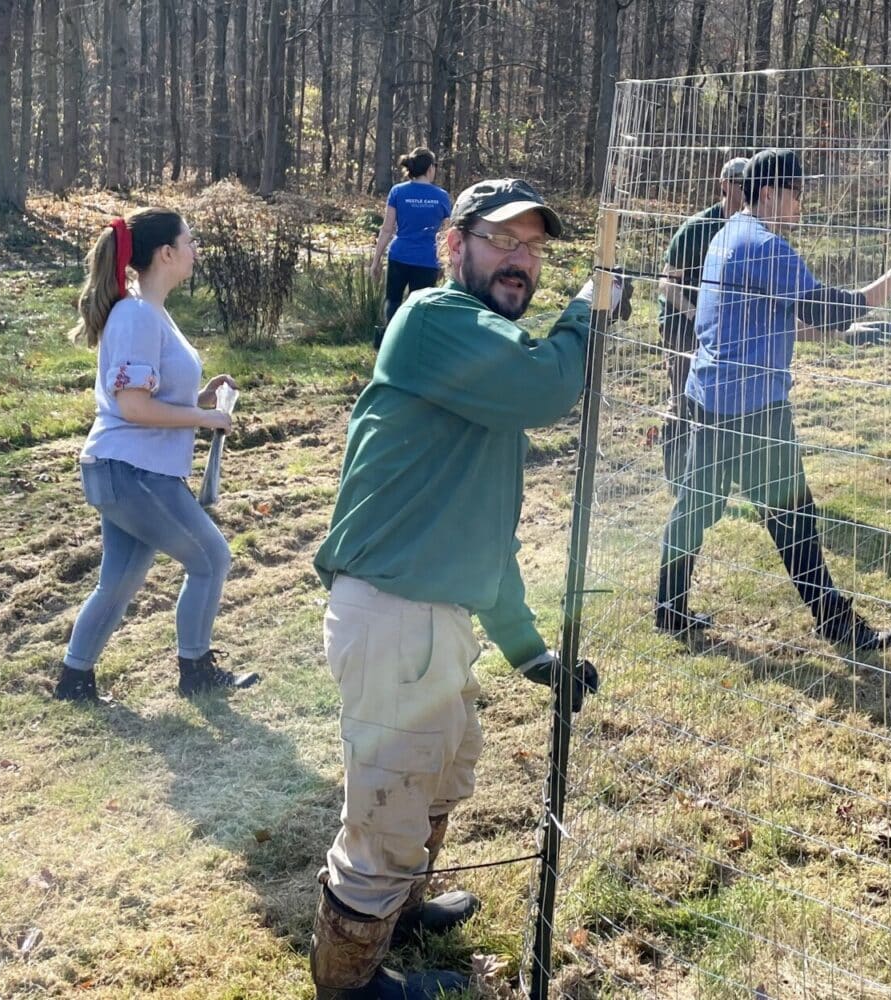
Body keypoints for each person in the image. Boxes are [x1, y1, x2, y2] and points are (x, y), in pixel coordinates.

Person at [310, 178, 609, 998]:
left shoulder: (482, 366)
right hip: (393, 614)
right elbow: (551, 384)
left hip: (433, 615)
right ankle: (350, 984)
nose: (520, 260)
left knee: (439, 773)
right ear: (455, 245)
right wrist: (586, 309)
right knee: (387, 809)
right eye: (502, 242)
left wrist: (530, 651)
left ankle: (398, 911)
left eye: (534, 248)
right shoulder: (437, 321)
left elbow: (486, 538)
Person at [655, 148, 891, 652]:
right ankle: (837, 625)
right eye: (796, 194)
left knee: (697, 506)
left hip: (710, 395)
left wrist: (850, 334)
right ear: (768, 193)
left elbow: (770, 320)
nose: (801, 206)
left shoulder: (728, 235)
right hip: (752, 407)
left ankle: (669, 607)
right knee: (795, 519)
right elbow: (829, 307)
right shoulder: (765, 246)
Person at [53, 209, 259, 704]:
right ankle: (196, 672)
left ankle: (73, 682)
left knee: (119, 581)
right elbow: (134, 406)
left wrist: (204, 399)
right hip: (133, 471)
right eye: (189, 242)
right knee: (211, 557)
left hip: (129, 470)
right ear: (165, 253)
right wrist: (204, 420)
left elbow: (154, 393)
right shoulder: (137, 315)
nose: (195, 251)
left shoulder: (152, 313)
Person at [655, 156, 749, 489]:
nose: (747, 187)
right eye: (740, 181)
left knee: (721, 400)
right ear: (725, 185)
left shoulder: (749, 227)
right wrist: (695, 313)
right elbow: (667, 283)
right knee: (682, 398)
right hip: (683, 324)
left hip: (725, 330)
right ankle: (677, 477)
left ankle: (714, 475)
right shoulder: (697, 229)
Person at [370, 148, 455, 341]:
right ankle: (412, 343)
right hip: (427, 259)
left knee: (392, 300)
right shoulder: (441, 196)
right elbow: (448, 234)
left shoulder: (398, 191)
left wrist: (376, 261)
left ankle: (389, 341)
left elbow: (386, 229)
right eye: (435, 165)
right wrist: (445, 261)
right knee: (420, 307)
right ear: (429, 168)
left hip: (399, 255)